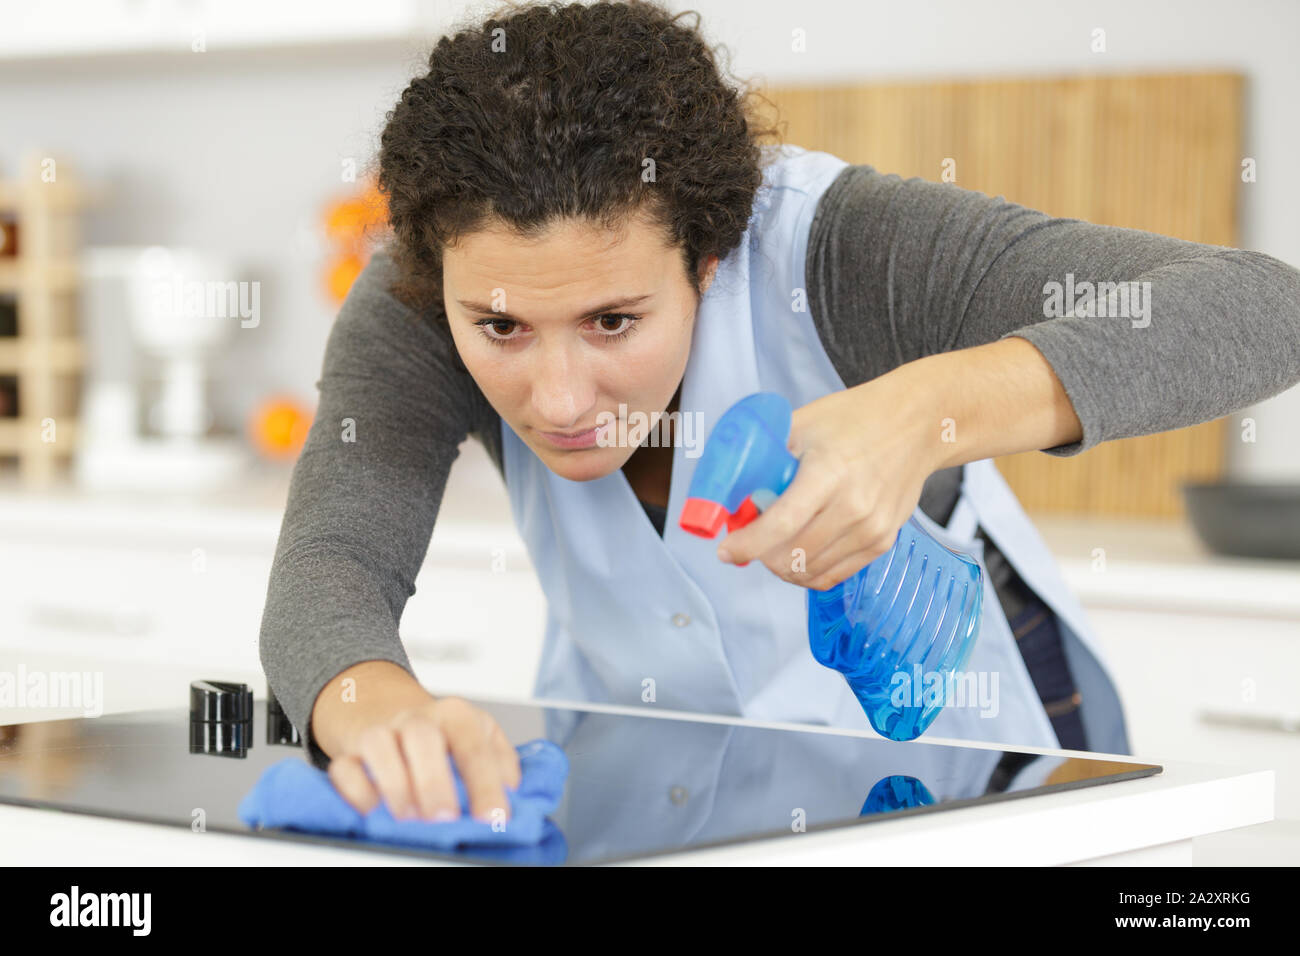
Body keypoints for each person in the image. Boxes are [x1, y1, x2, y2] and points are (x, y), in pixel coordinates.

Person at [258, 0, 1300, 825]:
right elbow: (333, 561)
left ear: (707, 257)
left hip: (956, 772)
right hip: (639, 771)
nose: (562, 397)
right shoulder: (414, 291)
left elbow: (1264, 311)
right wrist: (375, 710)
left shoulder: (837, 248)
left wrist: (920, 412)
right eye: (501, 330)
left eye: (615, 319)